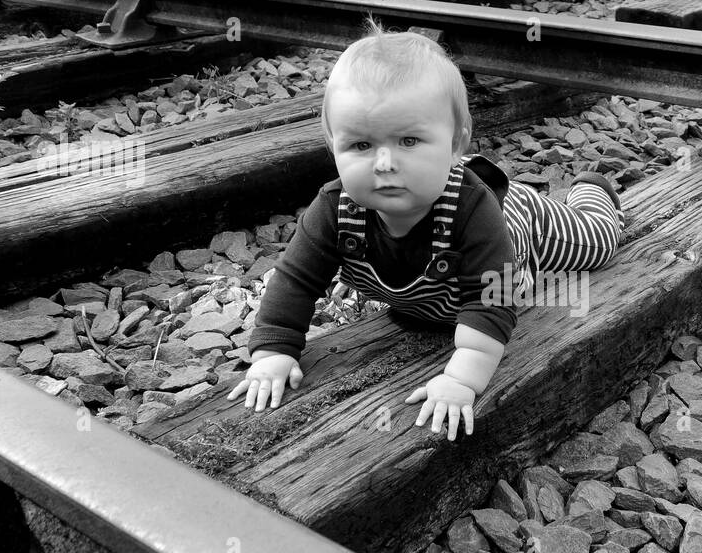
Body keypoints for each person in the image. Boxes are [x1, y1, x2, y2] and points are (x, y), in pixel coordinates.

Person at [228, 25, 624, 440]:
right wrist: (274, 350)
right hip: (437, 299)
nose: (384, 163)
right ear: (333, 146)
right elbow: (295, 279)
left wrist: (461, 378)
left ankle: (593, 191)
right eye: (360, 146)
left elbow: (492, 300)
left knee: (595, 243)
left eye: (409, 140)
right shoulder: (334, 208)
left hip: (522, 227)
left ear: (456, 143)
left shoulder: (474, 210)